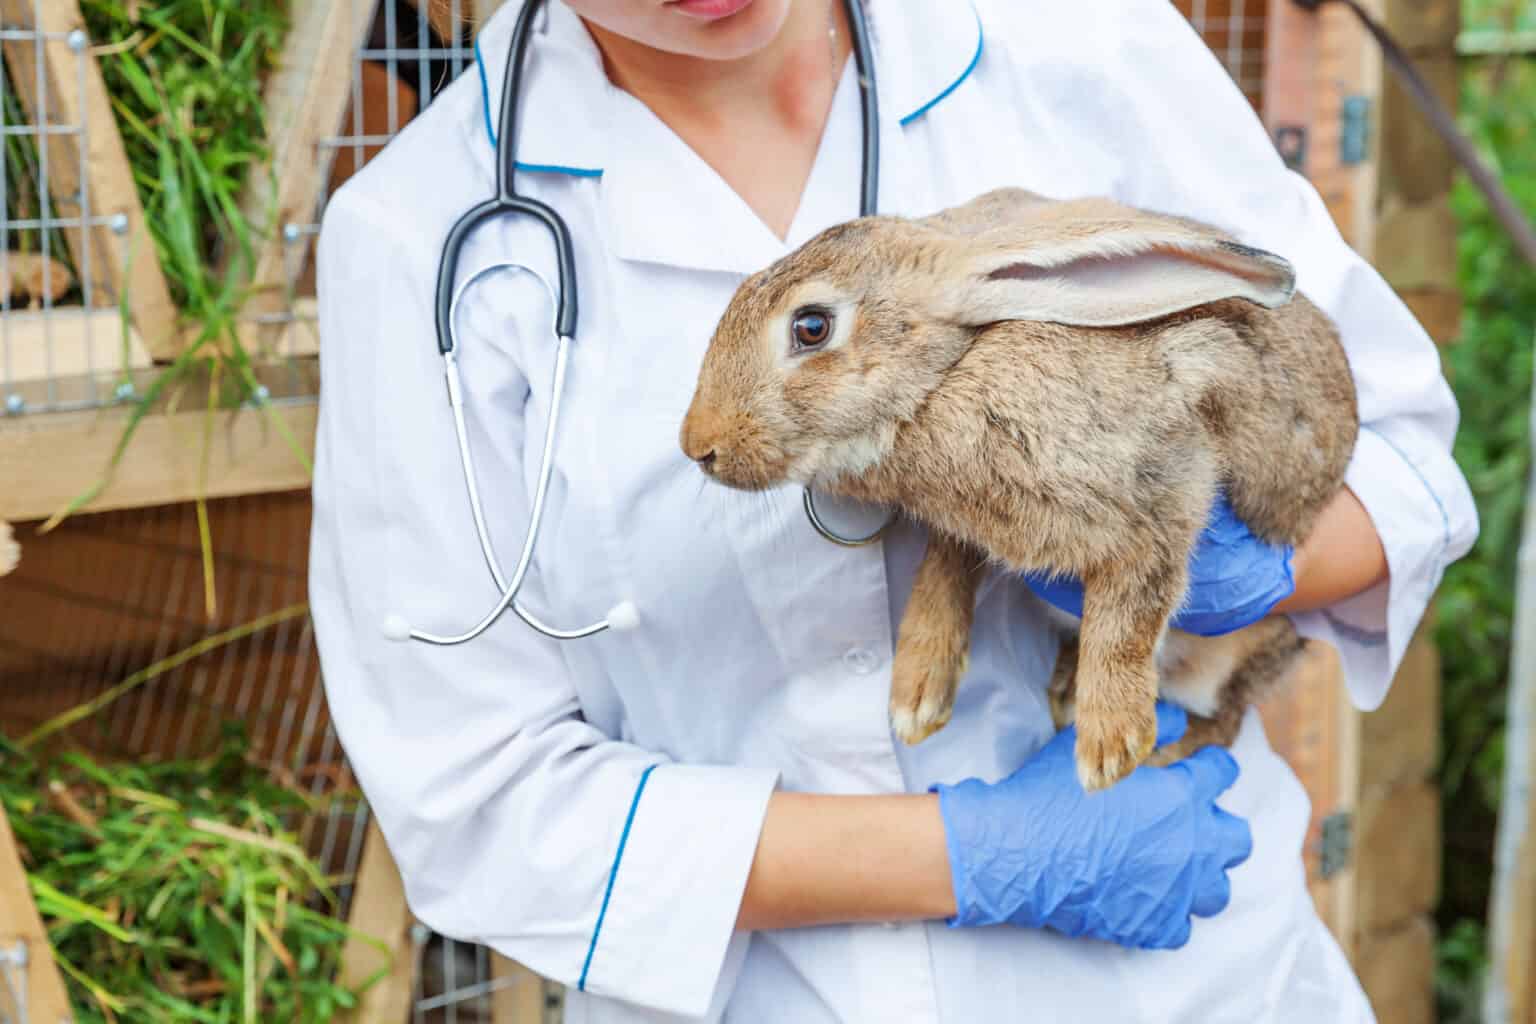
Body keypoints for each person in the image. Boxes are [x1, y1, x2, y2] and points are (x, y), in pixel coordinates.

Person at [307, 1, 1478, 1020]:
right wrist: (975, 859)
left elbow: (1403, 458)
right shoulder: (418, 237)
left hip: (1198, 980)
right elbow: (473, 797)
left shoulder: (1074, 40)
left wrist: (1222, 561)